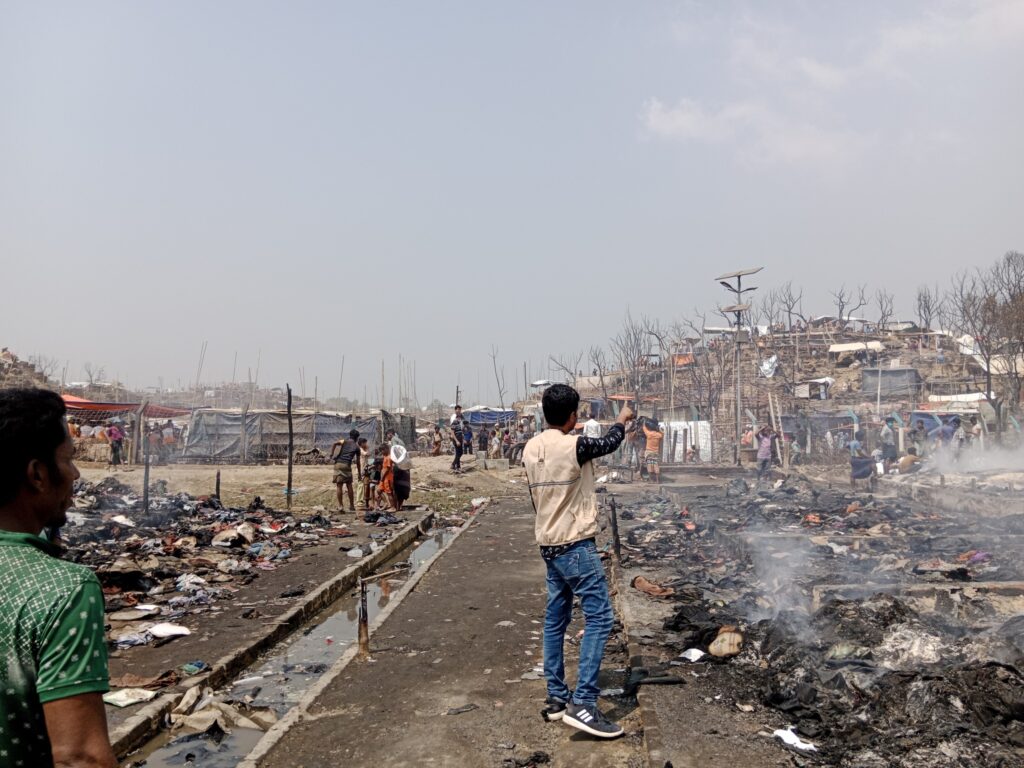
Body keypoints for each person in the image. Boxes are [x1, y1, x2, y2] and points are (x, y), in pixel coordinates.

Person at [0, 389, 117, 768]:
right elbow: (80, 758)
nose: (76, 474)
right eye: (68, 459)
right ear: (37, 474)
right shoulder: (63, 590)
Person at [524, 385, 632, 738]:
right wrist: (621, 420)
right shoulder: (576, 446)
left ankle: (557, 697)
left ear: (544, 414)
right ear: (572, 417)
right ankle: (583, 703)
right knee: (600, 617)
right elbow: (610, 442)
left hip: (549, 543)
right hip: (574, 544)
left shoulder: (531, 447)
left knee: (556, 619)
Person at [330, 429, 362, 512]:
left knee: (339, 485)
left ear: (350, 435)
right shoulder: (357, 447)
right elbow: (358, 462)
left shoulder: (344, 441)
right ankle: (351, 506)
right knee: (349, 485)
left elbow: (334, 444)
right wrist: (359, 474)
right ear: (357, 438)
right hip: (347, 465)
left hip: (338, 464)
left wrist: (331, 454)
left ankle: (340, 506)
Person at [641, 419, 664, 483]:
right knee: (656, 466)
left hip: (648, 453)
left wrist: (644, 422)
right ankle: (657, 480)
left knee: (649, 466)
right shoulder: (658, 435)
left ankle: (651, 480)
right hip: (655, 453)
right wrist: (659, 428)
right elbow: (662, 432)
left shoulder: (649, 434)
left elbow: (644, 428)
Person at [391, 445, 412, 511]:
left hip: (399, 484)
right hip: (406, 485)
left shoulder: (396, 466)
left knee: (396, 494)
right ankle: (399, 506)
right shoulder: (407, 463)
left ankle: (396, 507)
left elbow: (394, 476)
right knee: (401, 496)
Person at [355, 437, 370, 512]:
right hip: (360, 470)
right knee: (360, 485)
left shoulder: (362, 449)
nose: (367, 444)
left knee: (363, 485)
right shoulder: (360, 450)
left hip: (364, 469)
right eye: (365, 443)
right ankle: (359, 501)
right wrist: (367, 449)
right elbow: (367, 454)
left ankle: (361, 500)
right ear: (362, 444)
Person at [450, 406, 465, 472]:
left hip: (460, 438)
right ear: (455, 410)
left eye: (460, 409)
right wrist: (456, 441)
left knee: (460, 452)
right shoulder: (454, 422)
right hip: (456, 439)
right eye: (458, 409)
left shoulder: (461, 422)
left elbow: (462, 430)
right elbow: (452, 432)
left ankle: (458, 466)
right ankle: (453, 464)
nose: (459, 410)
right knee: (459, 452)